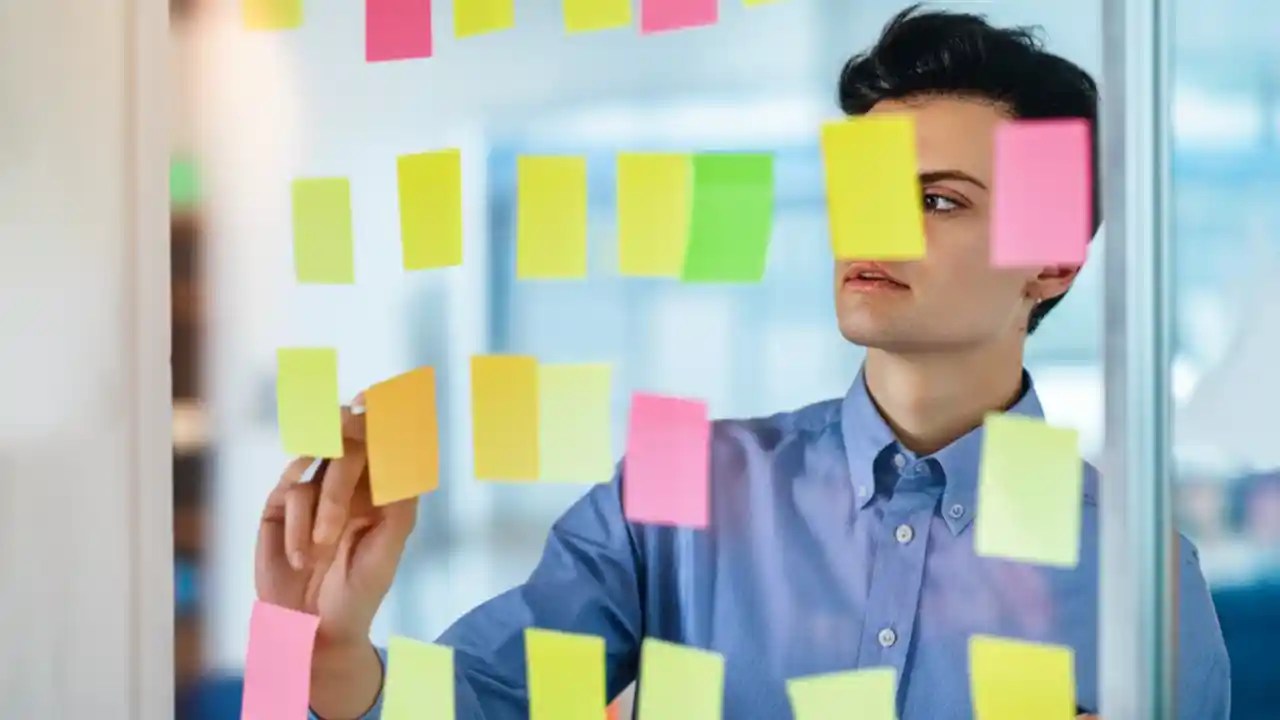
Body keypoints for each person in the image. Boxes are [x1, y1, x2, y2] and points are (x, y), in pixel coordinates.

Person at [256, 6, 1230, 718]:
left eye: (938, 200)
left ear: (1052, 257)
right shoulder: (680, 493)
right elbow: (489, 701)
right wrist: (330, 649)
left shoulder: (1139, 579)